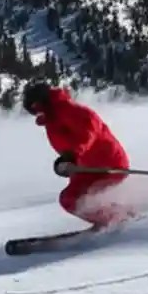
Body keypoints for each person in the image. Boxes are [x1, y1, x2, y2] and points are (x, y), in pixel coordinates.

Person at [22, 80, 133, 229]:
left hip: (108, 165)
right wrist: (65, 164)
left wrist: (73, 155)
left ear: (44, 101)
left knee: (89, 198)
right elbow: (67, 149)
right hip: (86, 169)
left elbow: (89, 134)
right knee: (69, 200)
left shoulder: (69, 110)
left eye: (36, 107)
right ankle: (108, 219)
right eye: (32, 111)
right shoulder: (52, 121)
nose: (35, 113)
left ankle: (118, 219)